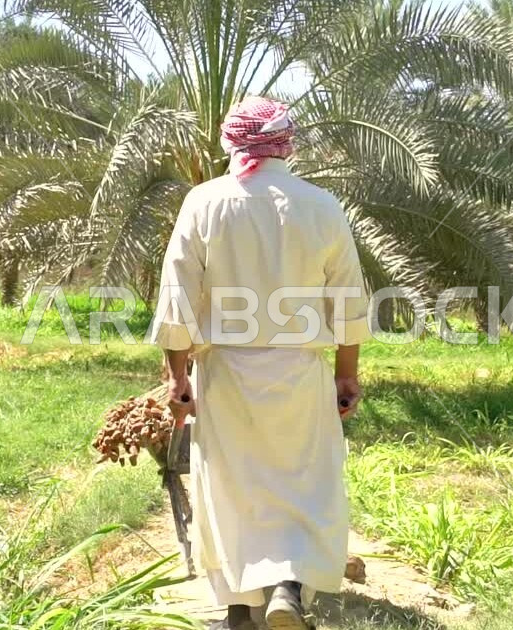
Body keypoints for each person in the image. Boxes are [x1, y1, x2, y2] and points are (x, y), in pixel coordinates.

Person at [148, 96, 371, 630]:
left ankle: (240, 612)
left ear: (232, 143)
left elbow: (178, 296)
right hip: (300, 372)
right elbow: (348, 301)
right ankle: (289, 586)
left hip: (225, 374)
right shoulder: (321, 206)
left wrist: (178, 377)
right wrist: (345, 374)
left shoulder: (205, 202)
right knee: (302, 481)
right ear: (285, 143)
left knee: (231, 487)